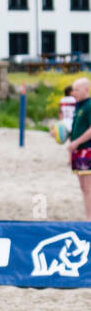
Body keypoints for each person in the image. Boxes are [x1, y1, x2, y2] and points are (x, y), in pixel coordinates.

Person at [65, 77, 91, 219]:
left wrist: (76, 143)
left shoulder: (88, 105)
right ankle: (88, 216)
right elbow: (76, 129)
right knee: (83, 187)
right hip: (78, 150)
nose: (73, 92)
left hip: (86, 149)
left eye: (76, 89)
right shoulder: (78, 106)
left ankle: (89, 218)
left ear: (86, 90)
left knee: (87, 187)